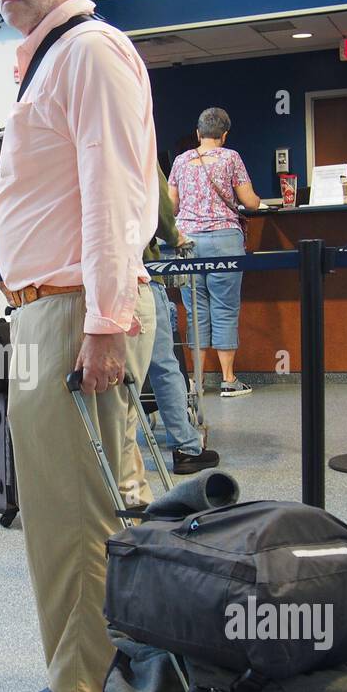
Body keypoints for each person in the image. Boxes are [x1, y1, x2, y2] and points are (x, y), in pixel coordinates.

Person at [0, 0, 158, 692]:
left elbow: (116, 194)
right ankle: (99, 663)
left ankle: (84, 689)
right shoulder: (49, 60)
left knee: (78, 512)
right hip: (43, 313)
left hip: (70, 314)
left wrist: (104, 322)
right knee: (65, 506)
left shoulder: (86, 51)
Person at [168, 107, 261, 398]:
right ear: (224, 135)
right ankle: (228, 379)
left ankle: (195, 382)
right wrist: (256, 199)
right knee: (225, 307)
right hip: (224, 240)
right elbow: (250, 202)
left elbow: (170, 207)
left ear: (198, 133)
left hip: (188, 243)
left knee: (195, 311)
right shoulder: (231, 157)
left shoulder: (181, 161)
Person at [144, 166, 215, 475]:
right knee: (163, 364)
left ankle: (109, 451)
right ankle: (186, 447)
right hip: (139, 269)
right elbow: (161, 208)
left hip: (75, 276)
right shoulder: (136, 140)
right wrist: (173, 235)